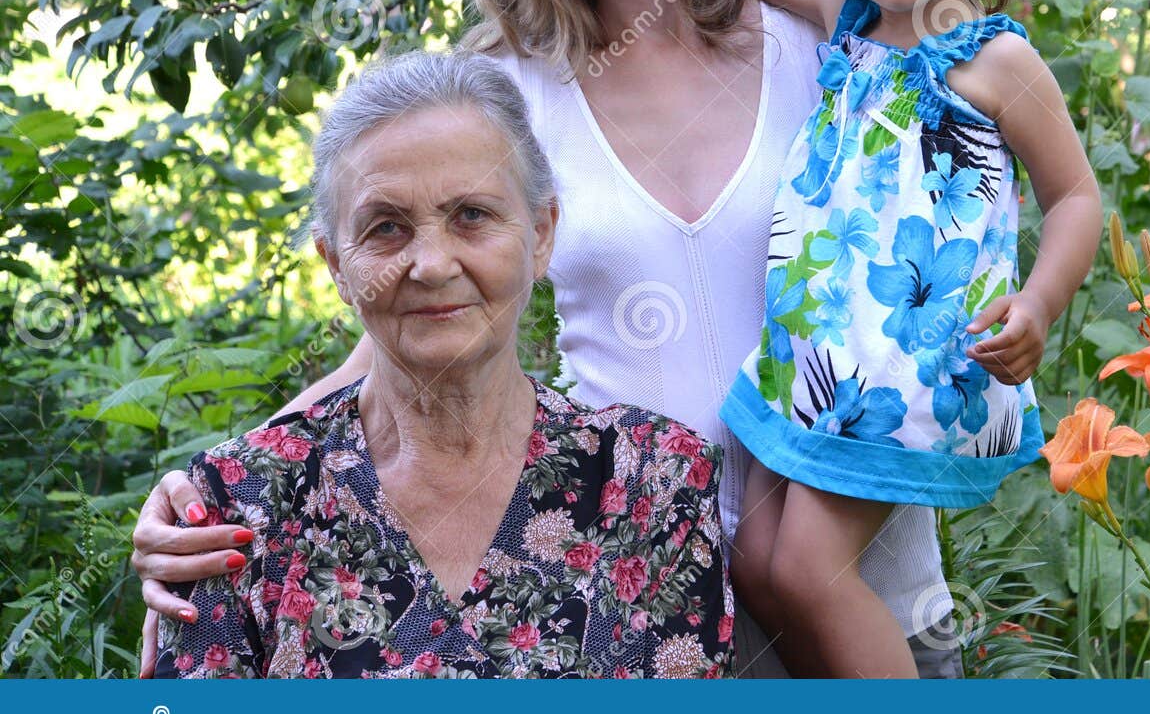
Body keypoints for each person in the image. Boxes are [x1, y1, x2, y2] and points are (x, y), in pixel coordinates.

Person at [132, 0, 956, 678]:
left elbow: (962, 202)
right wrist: (210, 492)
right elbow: (404, 322)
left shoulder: (831, 45)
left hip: (865, 585)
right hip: (641, 609)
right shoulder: (508, 98)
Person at [153, 50, 733, 678]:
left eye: (472, 216)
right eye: (386, 228)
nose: (431, 265)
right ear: (336, 266)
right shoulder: (240, 503)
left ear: (541, 234)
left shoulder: (653, 482)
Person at [721, 0, 1102, 677]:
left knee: (808, 571)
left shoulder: (994, 60)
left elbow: (1077, 198)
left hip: (909, 360)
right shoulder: (845, 16)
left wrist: (1038, 305)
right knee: (757, 565)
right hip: (814, 349)